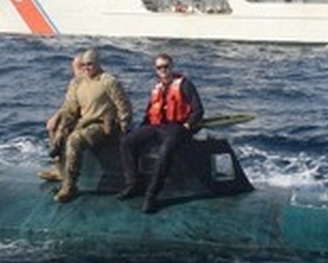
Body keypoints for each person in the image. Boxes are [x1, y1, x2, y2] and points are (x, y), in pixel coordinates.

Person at [117, 53, 204, 213]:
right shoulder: (157, 87)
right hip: (156, 126)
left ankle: (151, 194)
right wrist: (141, 129)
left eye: (166, 66)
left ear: (172, 67)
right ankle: (133, 183)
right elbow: (150, 112)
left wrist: (187, 126)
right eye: (159, 67)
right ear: (156, 70)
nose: (163, 70)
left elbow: (198, 110)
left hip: (177, 127)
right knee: (127, 141)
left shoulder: (185, 84)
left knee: (165, 151)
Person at [47, 48, 132, 203]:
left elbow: (123, 105)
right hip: (85, 122)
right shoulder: (79, 83)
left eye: (90, 64)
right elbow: (70, 108)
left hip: (103, 124)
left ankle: (70, 186)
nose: (86, 68)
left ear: (98, 64)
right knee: (60, 129)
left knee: (75, 140)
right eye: (84, 65)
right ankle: (60, 170)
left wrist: (124, 127)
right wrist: (62, 126)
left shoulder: (108, 81)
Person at [37, 53, 85, 182]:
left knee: (64, 131)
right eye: (75, 67)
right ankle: (58, 166)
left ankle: (67, 170)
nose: (77, 70)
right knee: (53, 126)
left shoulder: (91, 83)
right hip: (71, 114)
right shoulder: (74, 83)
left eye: (79, 67)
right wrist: (56, 116)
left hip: (86, 117)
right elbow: (67, 104)